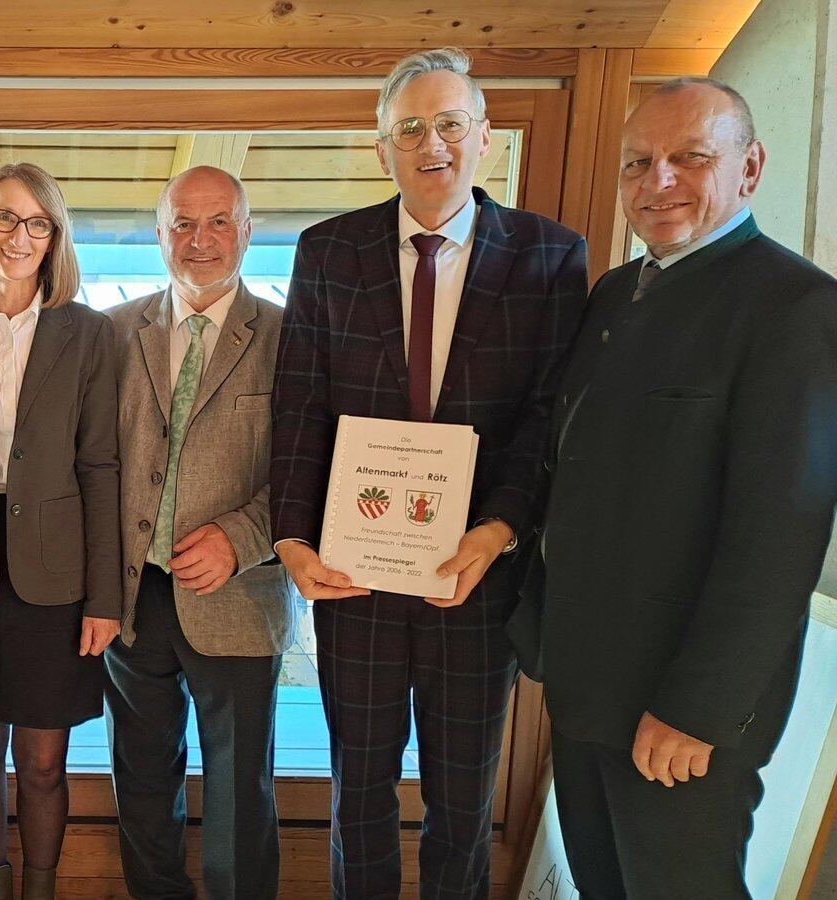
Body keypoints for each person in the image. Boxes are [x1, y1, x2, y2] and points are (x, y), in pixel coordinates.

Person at [270, 48, 588, 898]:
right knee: (359, 795)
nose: (432, 143)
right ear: (383, 148)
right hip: (354, 577)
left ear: (482, 137)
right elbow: (300, 403)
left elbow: (548, 418)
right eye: (409, 128)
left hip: (476, 579)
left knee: (462, 801)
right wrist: (292, 538)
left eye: (450, 123)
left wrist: (499, 529)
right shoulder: (327, 251)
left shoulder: (551, 257)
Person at [514, 76, 837, 899]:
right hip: (587, 681)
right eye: (638, 163)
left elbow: (780, 533)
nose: (658, 182)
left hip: (679, 707)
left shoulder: (796, 306)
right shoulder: (616, 294)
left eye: (690, 158)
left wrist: (698, 707)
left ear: (750, 167)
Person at [104, 165, 293, 900]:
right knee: (142, 788)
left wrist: (242, 538)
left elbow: (313, 473)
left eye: (219, 222)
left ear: (247, 232)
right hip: (133, 601)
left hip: (240, 600)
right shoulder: (115, 333)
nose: (200, 239)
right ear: (160, 234)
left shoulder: (289, 337)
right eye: (183, 222)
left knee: (241, 798)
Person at [0, 162, 122, 900]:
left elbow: (101, 466)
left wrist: (106, 599)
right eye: (5, 218)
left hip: (59, 571)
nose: (18, 236)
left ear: (55, 238)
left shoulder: (88, 334)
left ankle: (39, 891)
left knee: (44, 762)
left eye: (36, 223)